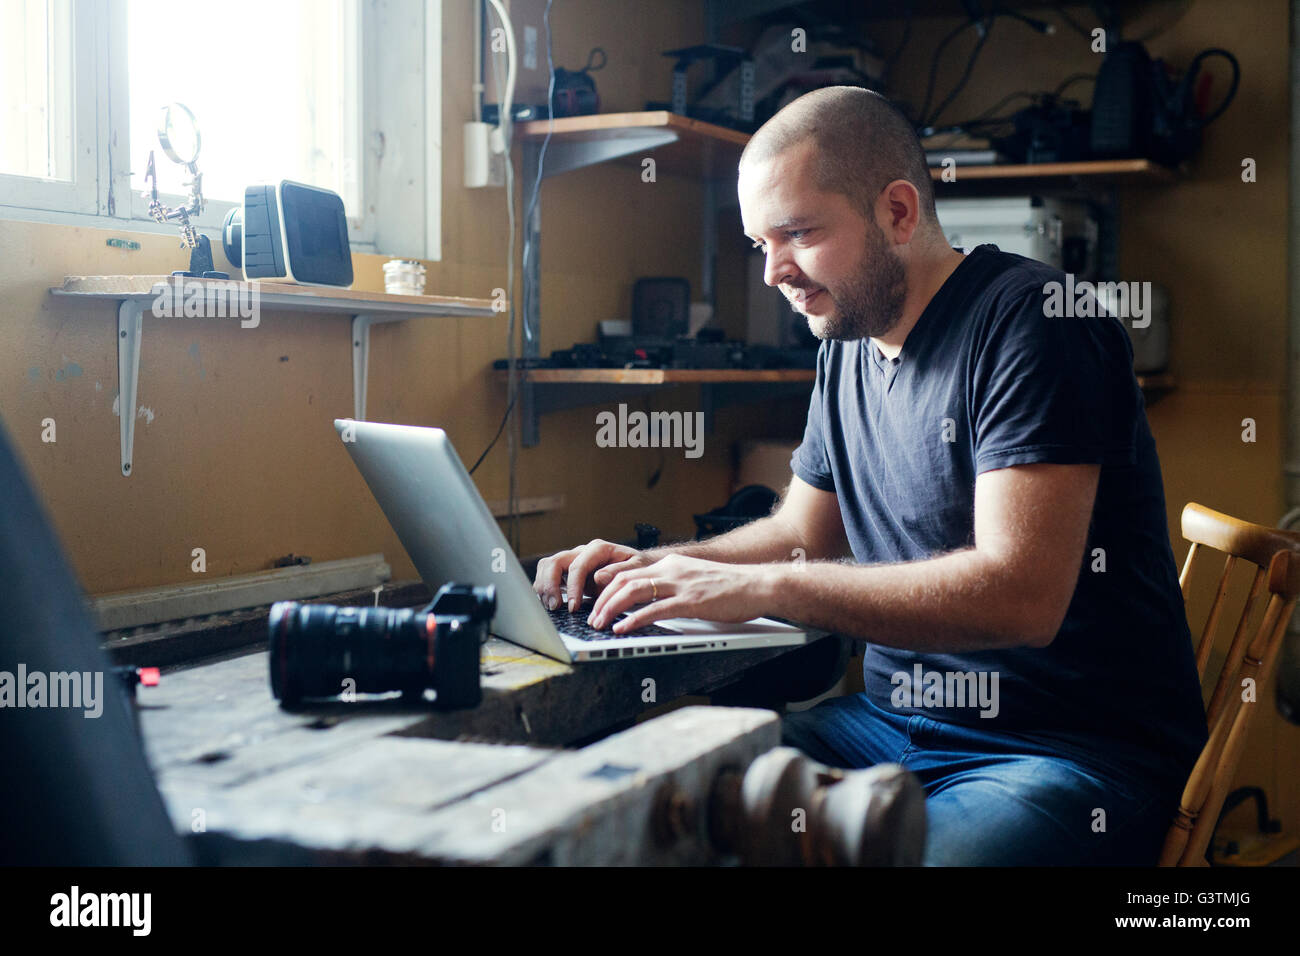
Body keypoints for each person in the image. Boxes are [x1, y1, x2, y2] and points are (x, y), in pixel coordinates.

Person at [532, 86, 1208, 866]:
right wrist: (657, 568)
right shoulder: (846, 343)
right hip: (891, 725)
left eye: (798, 233)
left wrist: (769, 590)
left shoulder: (1040, 323)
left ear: (897, 212)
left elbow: (1020, 597)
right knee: (646, 814)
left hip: (1064, 751)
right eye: (760, 245)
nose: (774, 274)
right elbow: (800, 535)